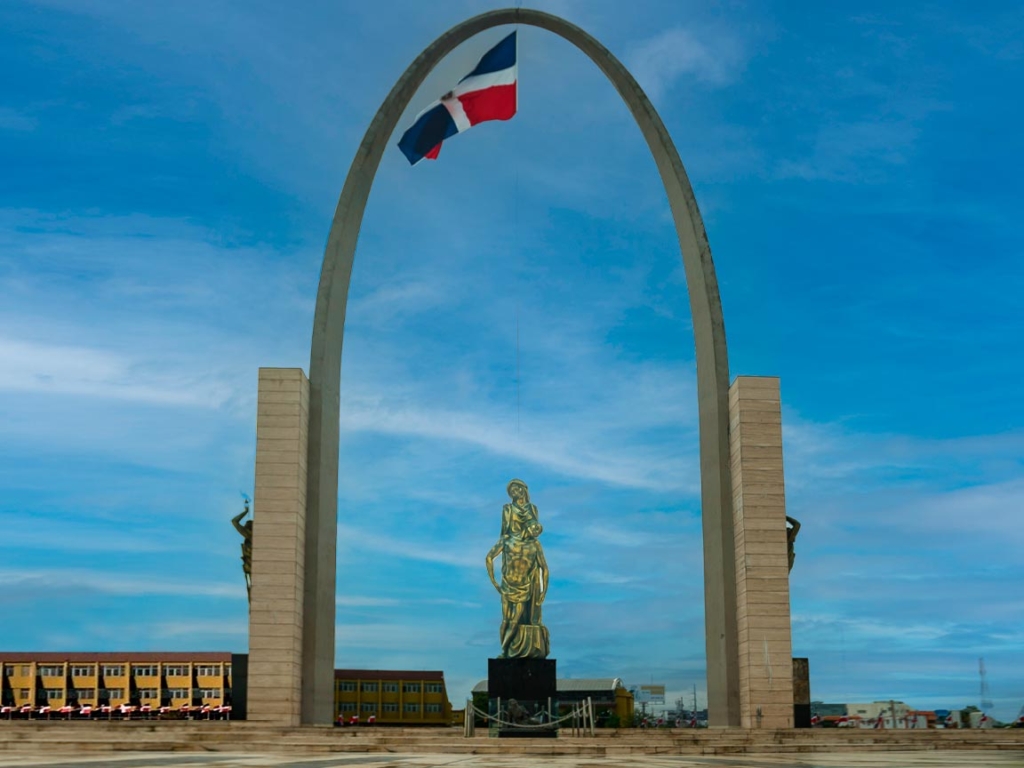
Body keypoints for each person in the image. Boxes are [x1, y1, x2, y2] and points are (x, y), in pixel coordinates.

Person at [485, 479, 550, 659]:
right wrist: (495, 581)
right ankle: (505, 651)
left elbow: (544, 567)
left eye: (518, 489)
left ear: (524, 489)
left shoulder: (533, 509)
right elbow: (504, 533)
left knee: (522, 617)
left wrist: (543, 590)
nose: (515, 492)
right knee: (506, 618)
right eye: (512, 490)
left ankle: (508, 649)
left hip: (527, 571)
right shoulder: (507, 509)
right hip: (511, 565)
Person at [232, 500, 254, 602]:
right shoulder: (250, 538)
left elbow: (234, 522)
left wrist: (245, 512)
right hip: (249, 567)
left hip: (251, 567)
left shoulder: (250, 537)